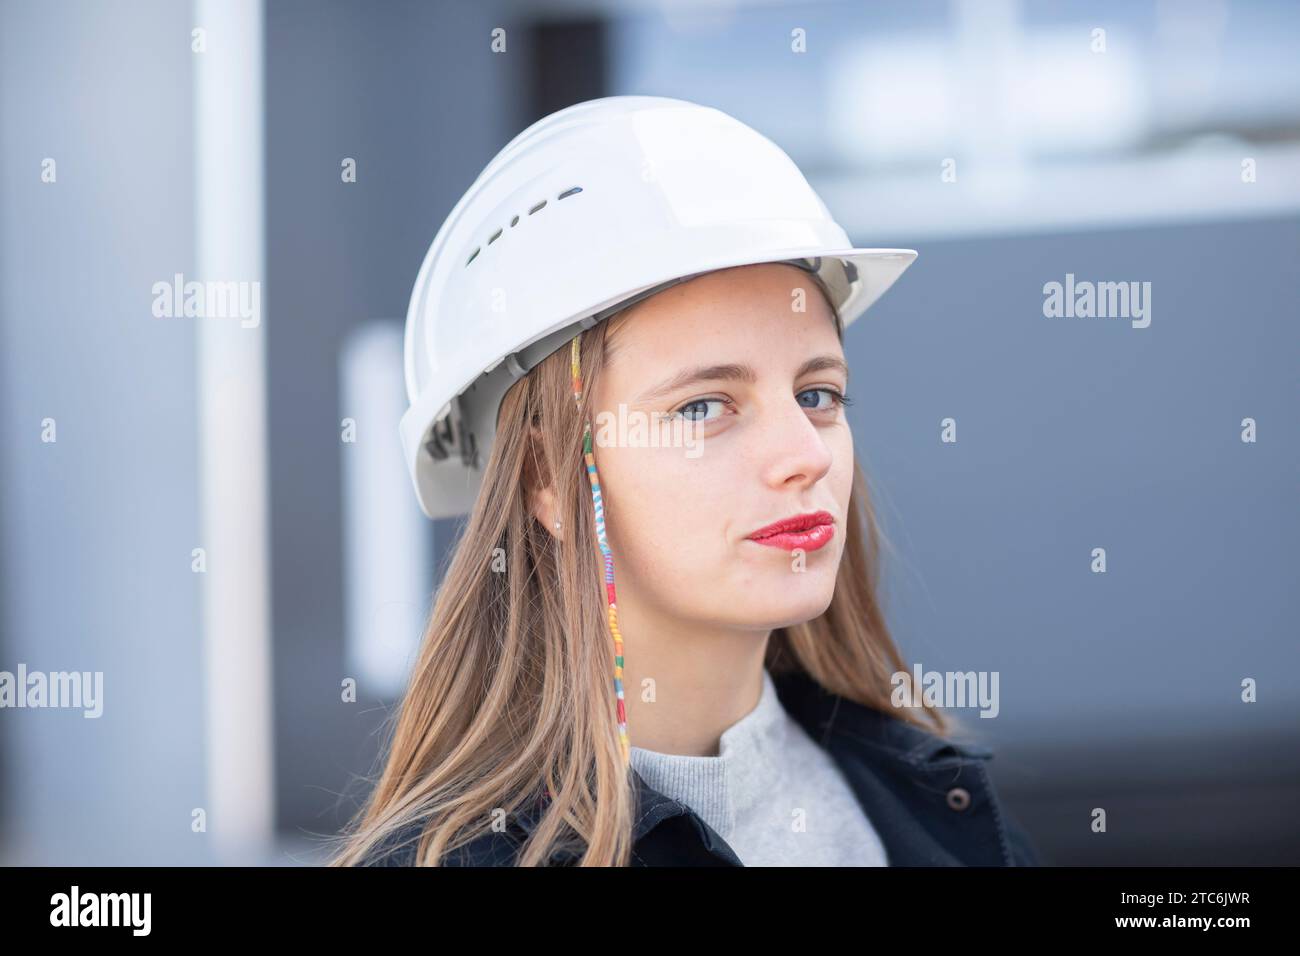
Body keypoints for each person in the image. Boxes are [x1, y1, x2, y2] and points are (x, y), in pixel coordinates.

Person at [328, 96, 1042, 867]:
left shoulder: (935, 801)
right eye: (704, 406)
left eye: (817, 395)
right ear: (545, 478)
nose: (804, 455)